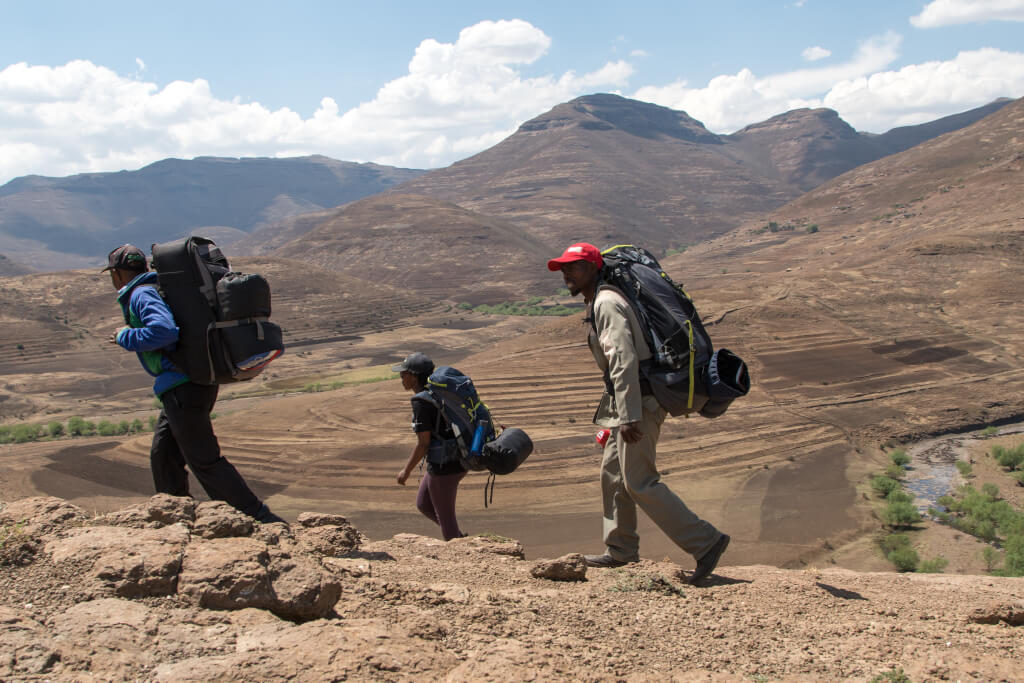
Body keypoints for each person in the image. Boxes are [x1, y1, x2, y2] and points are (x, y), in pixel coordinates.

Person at [547, 242, 729, 584]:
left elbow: (623, 359)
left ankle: (706, 542)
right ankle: (620, 550)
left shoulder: (606, 302)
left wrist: (629, 415)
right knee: (612, 474)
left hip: (641, 402)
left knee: (639, 481)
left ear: (594, 268)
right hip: (629, 400)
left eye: (573, 267)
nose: (566, 274)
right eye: (563, 269)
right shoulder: (602, 298)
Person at [104, 244, 284, 523]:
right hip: (184, 384)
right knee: (163, 454)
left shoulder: (141, 293)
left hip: (184, 385)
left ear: (116, 274)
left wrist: (124, 336)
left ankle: (259, 518)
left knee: (204, 459)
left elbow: (163, 332)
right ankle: (173, 514)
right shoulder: (153, 287)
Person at [394, 352, 468, 541]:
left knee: (447, 522)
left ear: (413, 376)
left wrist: (406, 470)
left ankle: (460, 551)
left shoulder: (421, 402)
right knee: (424, 503)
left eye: (403, 375)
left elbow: (423, 444)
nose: (401, 378)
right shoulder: (438, 393)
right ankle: (461, 540)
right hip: (454, 458)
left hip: (446, 465)